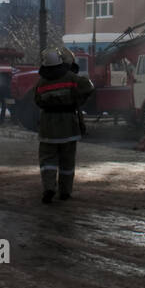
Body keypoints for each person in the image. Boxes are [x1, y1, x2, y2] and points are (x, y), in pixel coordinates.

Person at [33, 48, 95, 204]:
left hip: (48, 127)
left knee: (47, 161)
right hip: (68, 126)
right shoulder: (71, 78)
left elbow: (38, 101)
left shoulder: (41, 82)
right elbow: (89, 87)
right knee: (67, 162)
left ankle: (49, 188)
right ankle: (65, 192)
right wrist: (77, 100)